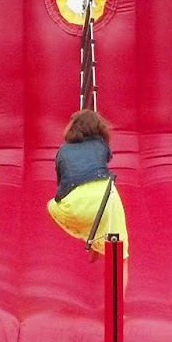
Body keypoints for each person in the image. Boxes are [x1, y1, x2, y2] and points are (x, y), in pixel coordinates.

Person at [48, 108, 129, 261]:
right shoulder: (101, 146)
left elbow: (61, 184)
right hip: (105, 198)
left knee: (53, 205)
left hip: (74, 203)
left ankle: (90, 238)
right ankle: (103, 248)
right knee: (120, 253)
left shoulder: (63, 151)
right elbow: (106, 157)